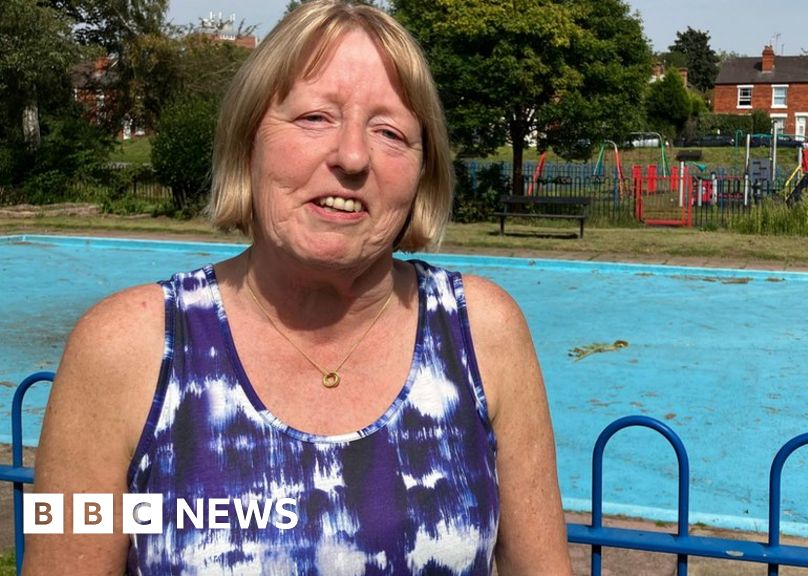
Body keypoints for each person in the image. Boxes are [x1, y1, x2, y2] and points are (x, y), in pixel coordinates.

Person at [25, 2, 572, 574]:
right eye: (315, 117)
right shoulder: (119, 348)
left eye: (389, 132)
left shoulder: (483, 333)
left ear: (422, 172)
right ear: (248, 140)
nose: (353, 156)